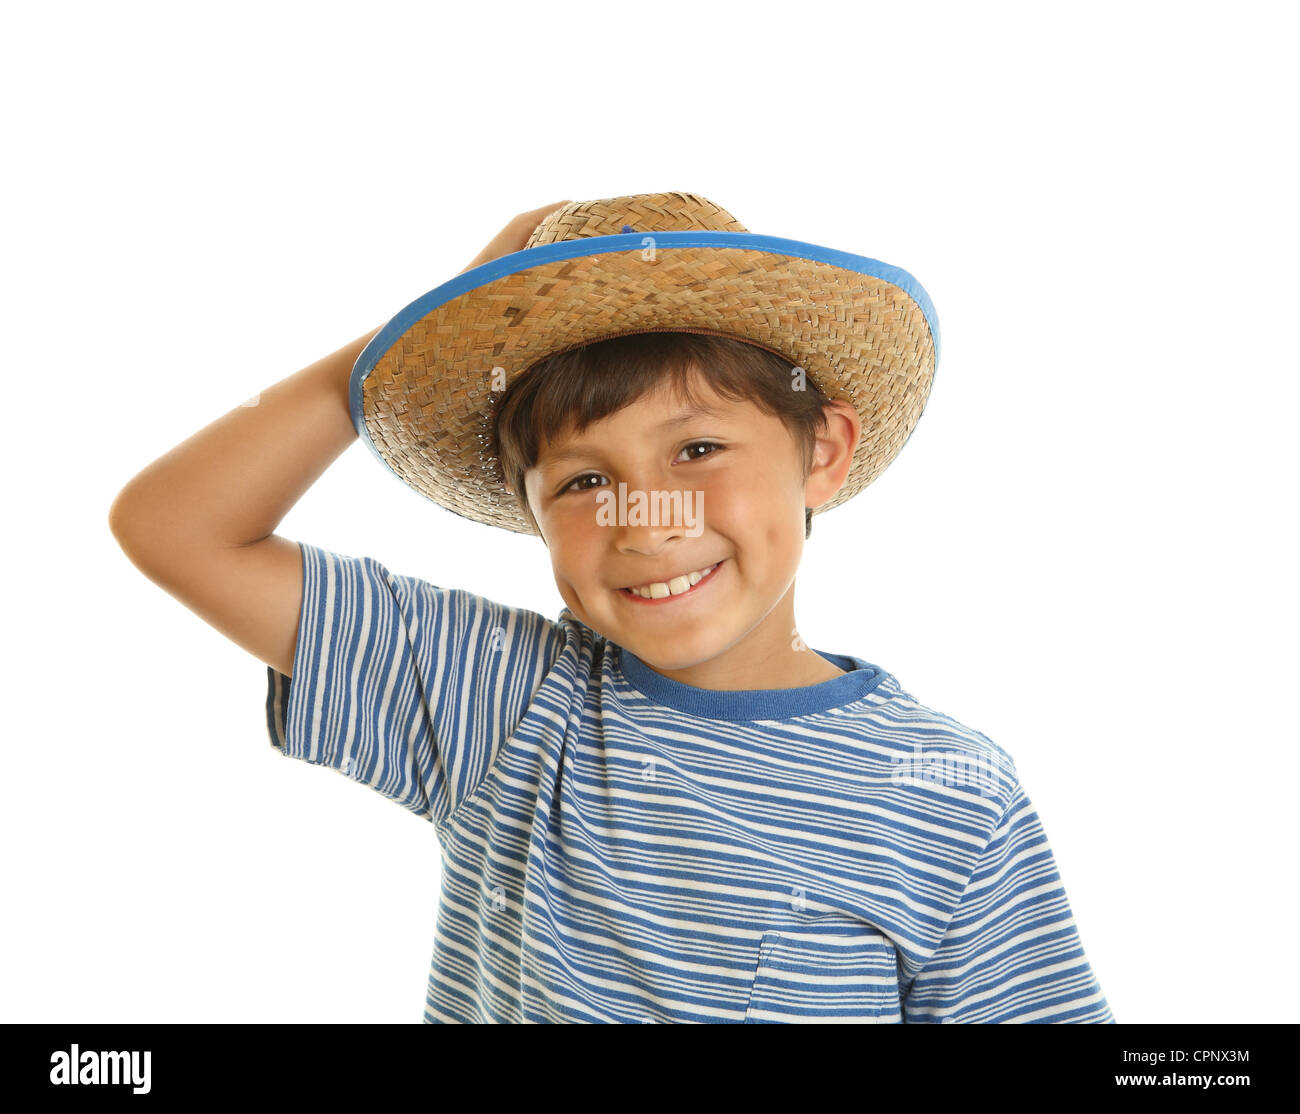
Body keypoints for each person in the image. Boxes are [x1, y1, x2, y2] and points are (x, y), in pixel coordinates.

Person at [109, 193, 1114, 1024]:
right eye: (585, 481)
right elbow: (176, 529)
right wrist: (426, 326)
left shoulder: (950, 795)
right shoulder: (501, 703)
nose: (644, 519)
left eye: (696, 450)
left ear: (820, 452)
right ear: (530, 512)